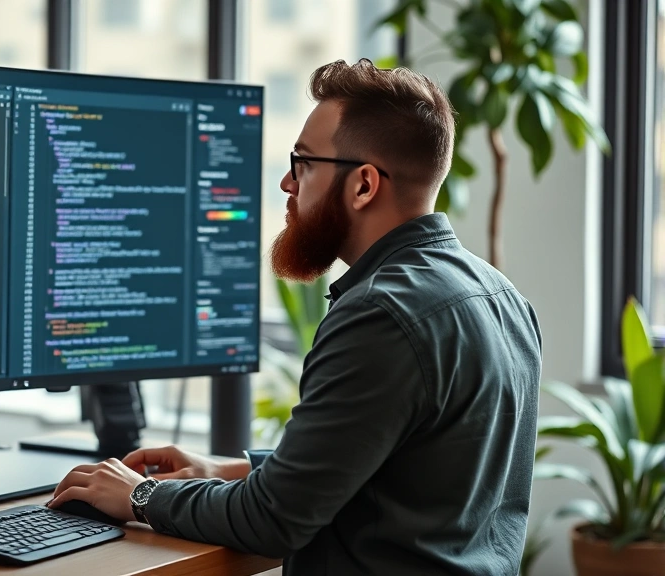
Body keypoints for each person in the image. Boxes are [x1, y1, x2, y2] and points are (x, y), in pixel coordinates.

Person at [48, 59, 543, 576]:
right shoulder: (501, 295)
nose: (287, 182)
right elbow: (401, 467)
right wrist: (239, 468)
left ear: (363, 185)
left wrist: (141, 495)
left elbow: (272, 521)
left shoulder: (381, 313)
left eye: (303, 163)